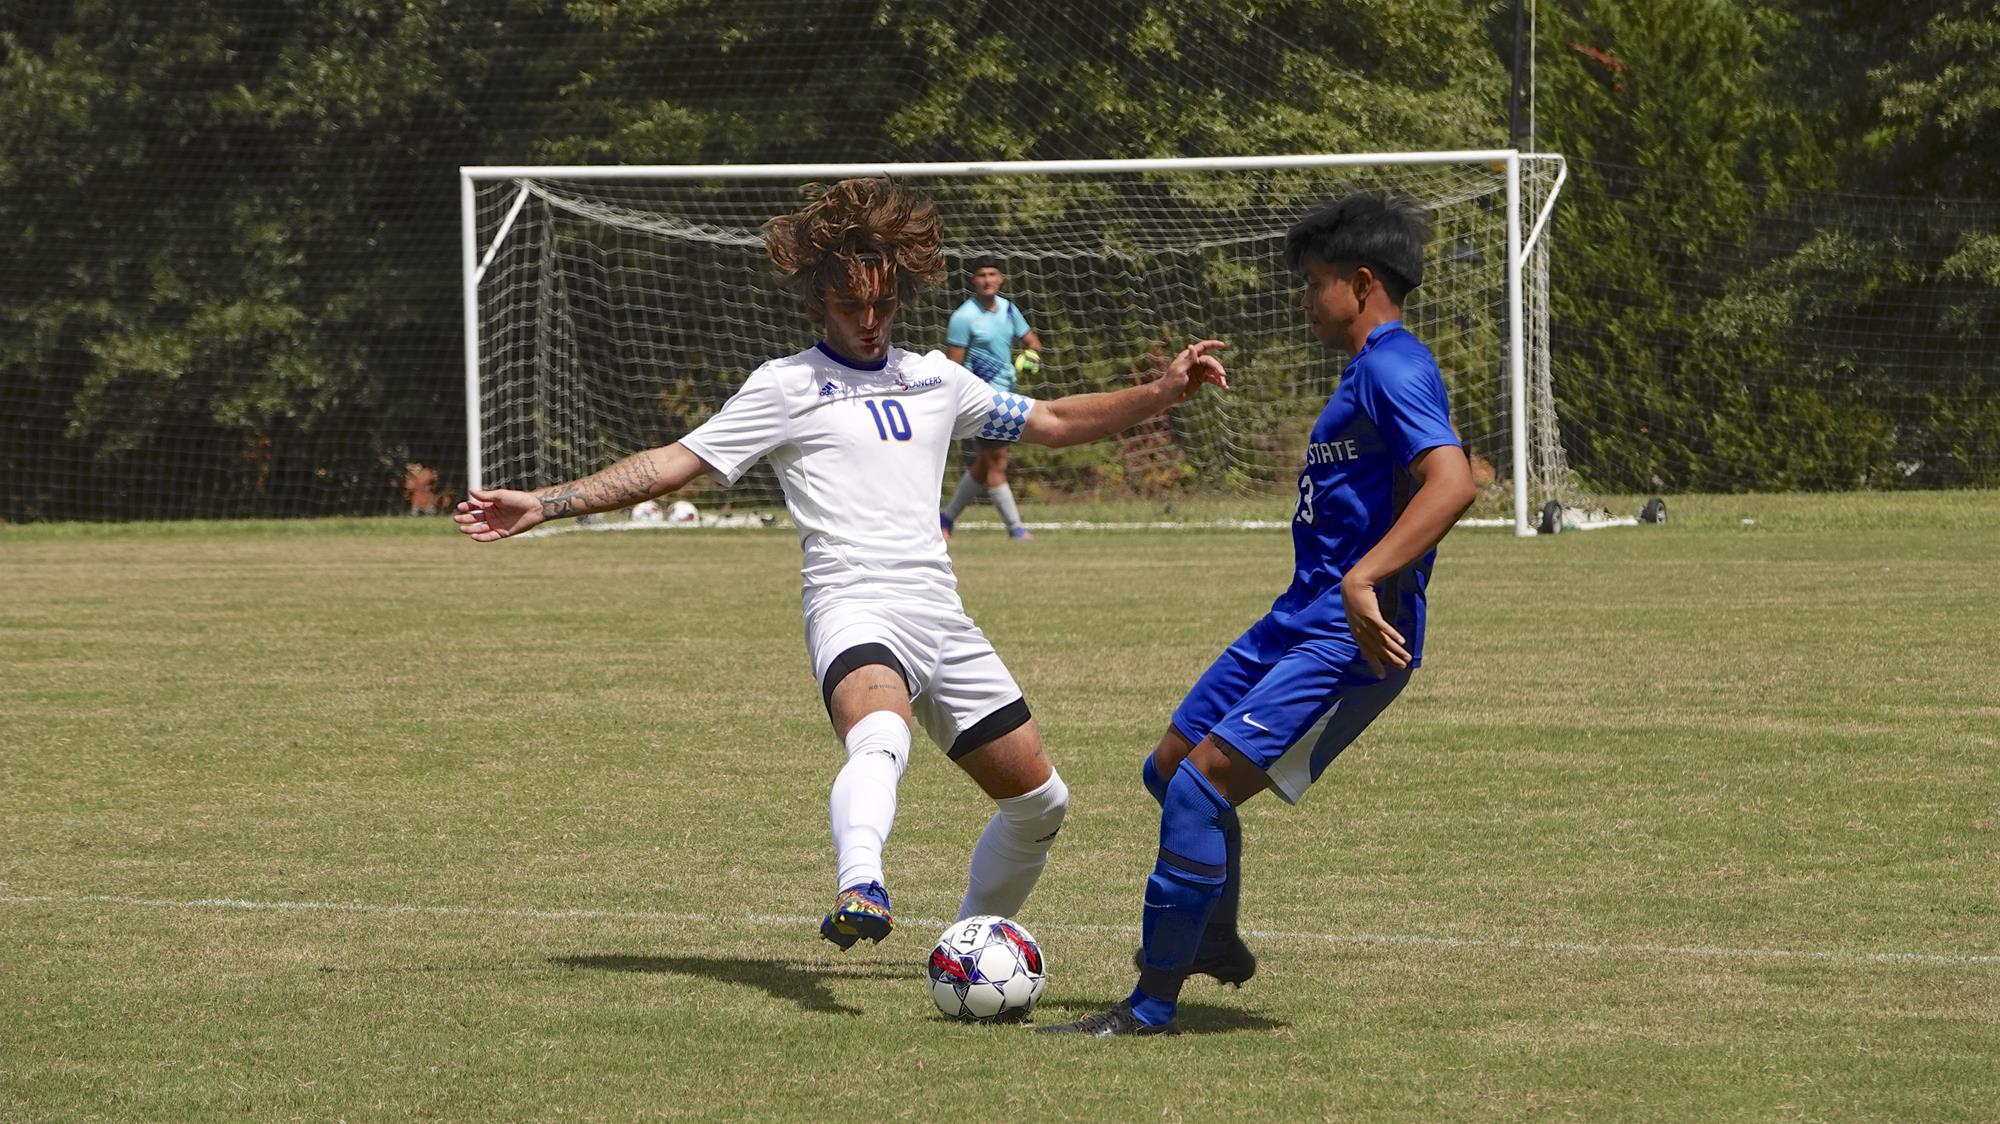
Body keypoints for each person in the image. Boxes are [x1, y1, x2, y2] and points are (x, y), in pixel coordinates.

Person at [454, 178, 1227, 952]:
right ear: (820, 302)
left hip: (941, 617)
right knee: (881, 735)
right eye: (852, 306)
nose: (868, 321)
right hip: (853, 606)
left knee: (1041, 803)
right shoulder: (785, 386)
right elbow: (673, 463)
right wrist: (547, 502)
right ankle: (861, 882)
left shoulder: (936, 377)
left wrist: (1161, 391)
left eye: (882, 305)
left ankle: (965, 949)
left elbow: (1052, 419)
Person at [1037, 195, 1476, 1036]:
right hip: (1296, 618)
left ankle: (1148, 1009)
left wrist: (1365, 579)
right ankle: (1214, 938)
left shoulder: (1395, 367)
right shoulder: (1365, 370)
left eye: (1313, 283)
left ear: (1361, 282)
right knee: (1170, 768)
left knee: (1197, 792)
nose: (1304, 300)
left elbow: (1452, 481)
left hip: (1350, 639)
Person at [939, 256, 1044, 541]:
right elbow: (953, 368)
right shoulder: (963, 317)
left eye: (992, 274)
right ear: (973, 280)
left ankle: (945, 519)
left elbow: (1033, 343)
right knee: (997, 462)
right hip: (981, 400)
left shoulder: (1009, 310)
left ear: (1001, 278)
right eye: (982, 275)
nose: (987, 280)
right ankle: (1016, 529)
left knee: (984, 464)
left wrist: (1030, 358)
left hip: (1007, 396)